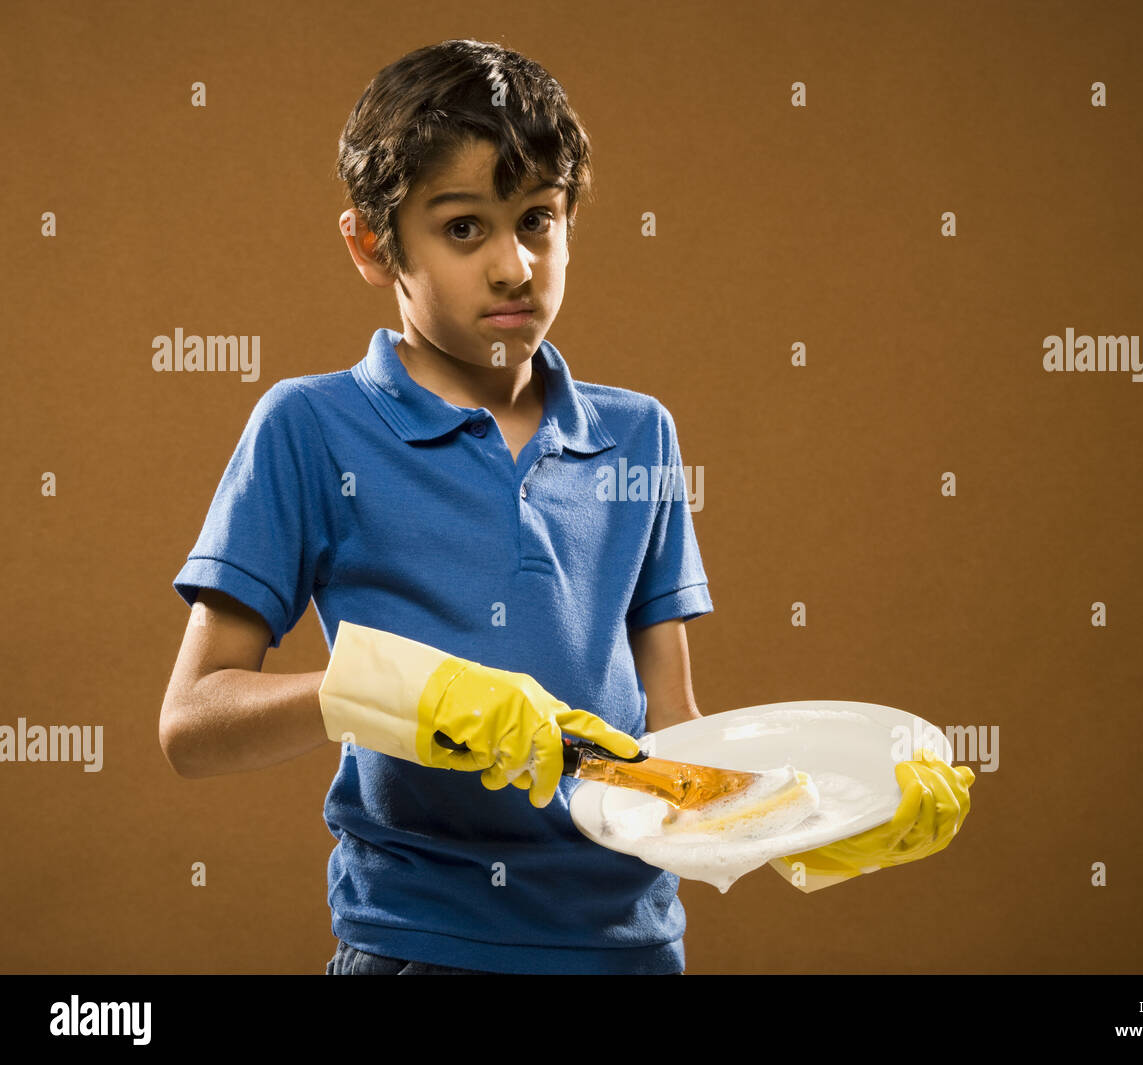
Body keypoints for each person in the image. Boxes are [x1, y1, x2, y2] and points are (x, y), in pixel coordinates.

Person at [159, 39, 973, 976]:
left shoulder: (640, 436)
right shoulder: (310, 428)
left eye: (538, 220)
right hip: (420, 947)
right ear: (373, 245)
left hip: (632, 949)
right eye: (464, 227)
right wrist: (391, 692)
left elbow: (670, 731)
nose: (513, 266)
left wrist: (821, 814)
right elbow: (193, 723)